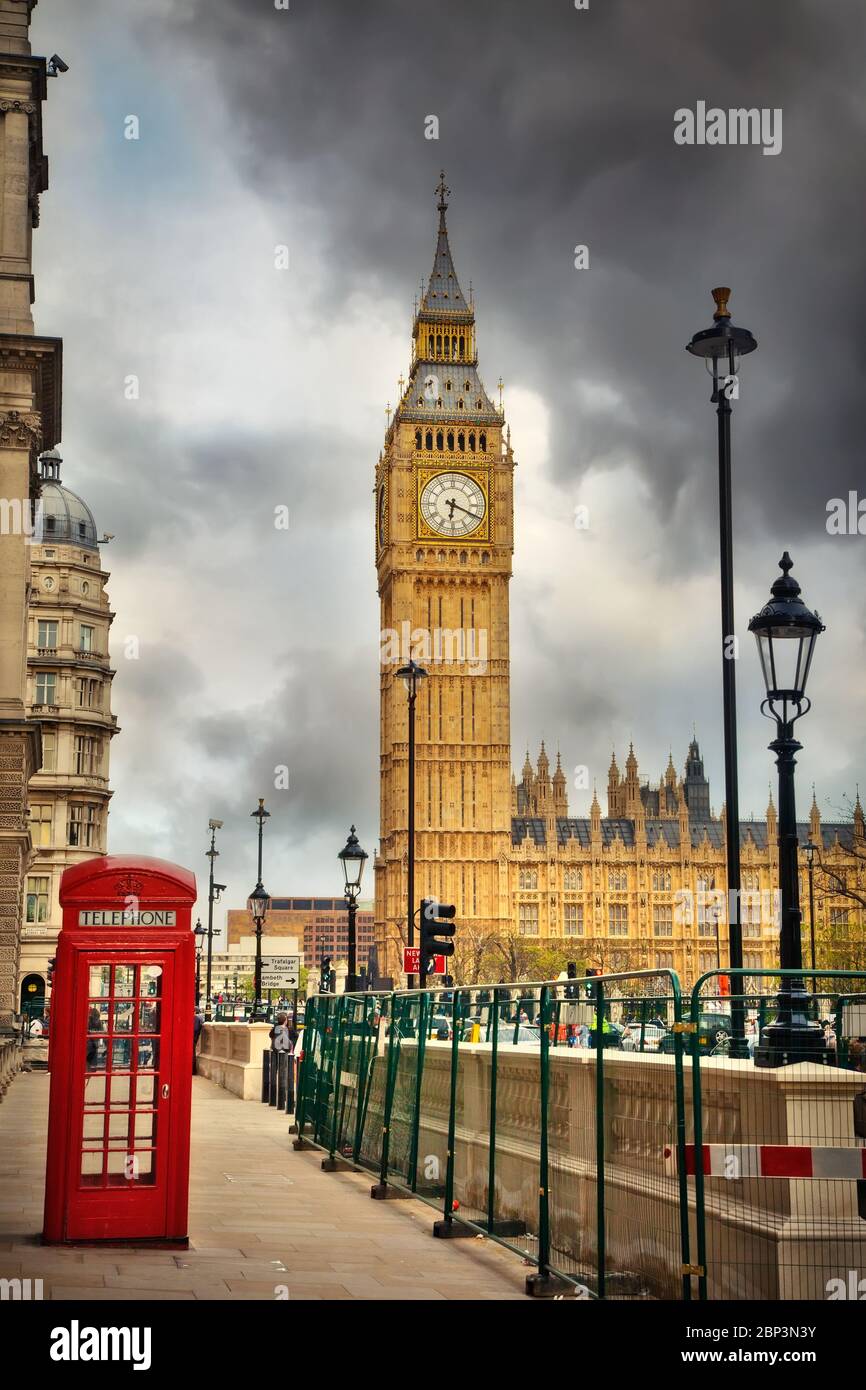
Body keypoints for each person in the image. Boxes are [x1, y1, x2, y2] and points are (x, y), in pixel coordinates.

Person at [193, 1009, 204, 1075]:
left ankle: (193, 1070)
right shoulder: (198, 1019)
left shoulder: (196, 1019)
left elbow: (195, 1029)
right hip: (194, 1038)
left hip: (192, 1039)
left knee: (192, 1055)